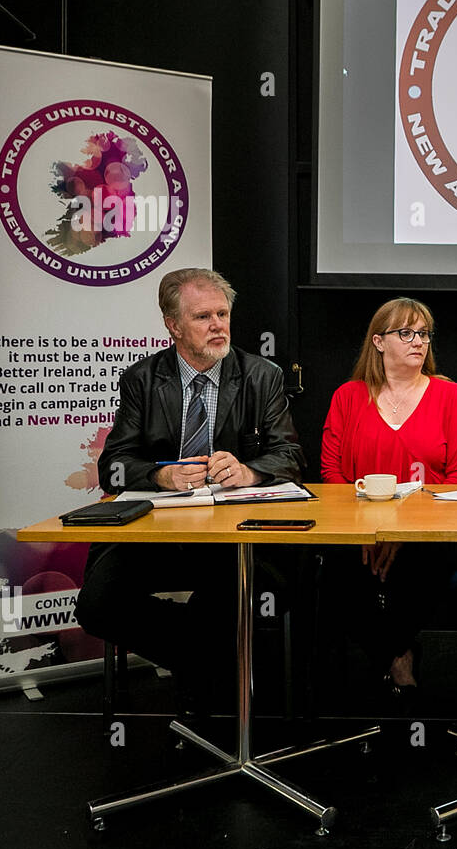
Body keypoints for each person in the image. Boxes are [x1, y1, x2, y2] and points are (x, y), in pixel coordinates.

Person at [73, 268, 306, 711]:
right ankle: (205, 663)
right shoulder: (142, 379)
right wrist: (161, 476)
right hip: (158, 533)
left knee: (245, 593)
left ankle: (207, 683)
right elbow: (113, 467)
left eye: (223, 314)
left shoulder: (262, 376)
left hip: (233, 536)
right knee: (98, 604)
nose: (218, 325)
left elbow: (291, 457)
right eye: (203, 317)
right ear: (173, 326)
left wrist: (249, 473)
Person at [320, 297, 457, 704]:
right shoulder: (348, 397)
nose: (418, 342)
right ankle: (398, 652)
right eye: (405, 333)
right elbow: (332, 477)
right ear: (378, 341)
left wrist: (402, 530)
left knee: (416, 563)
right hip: (358, 529)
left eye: (423, 334)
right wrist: (371, 530)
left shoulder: (450, 396)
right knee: (337, 569)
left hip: (435, 530)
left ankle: (391, 657)